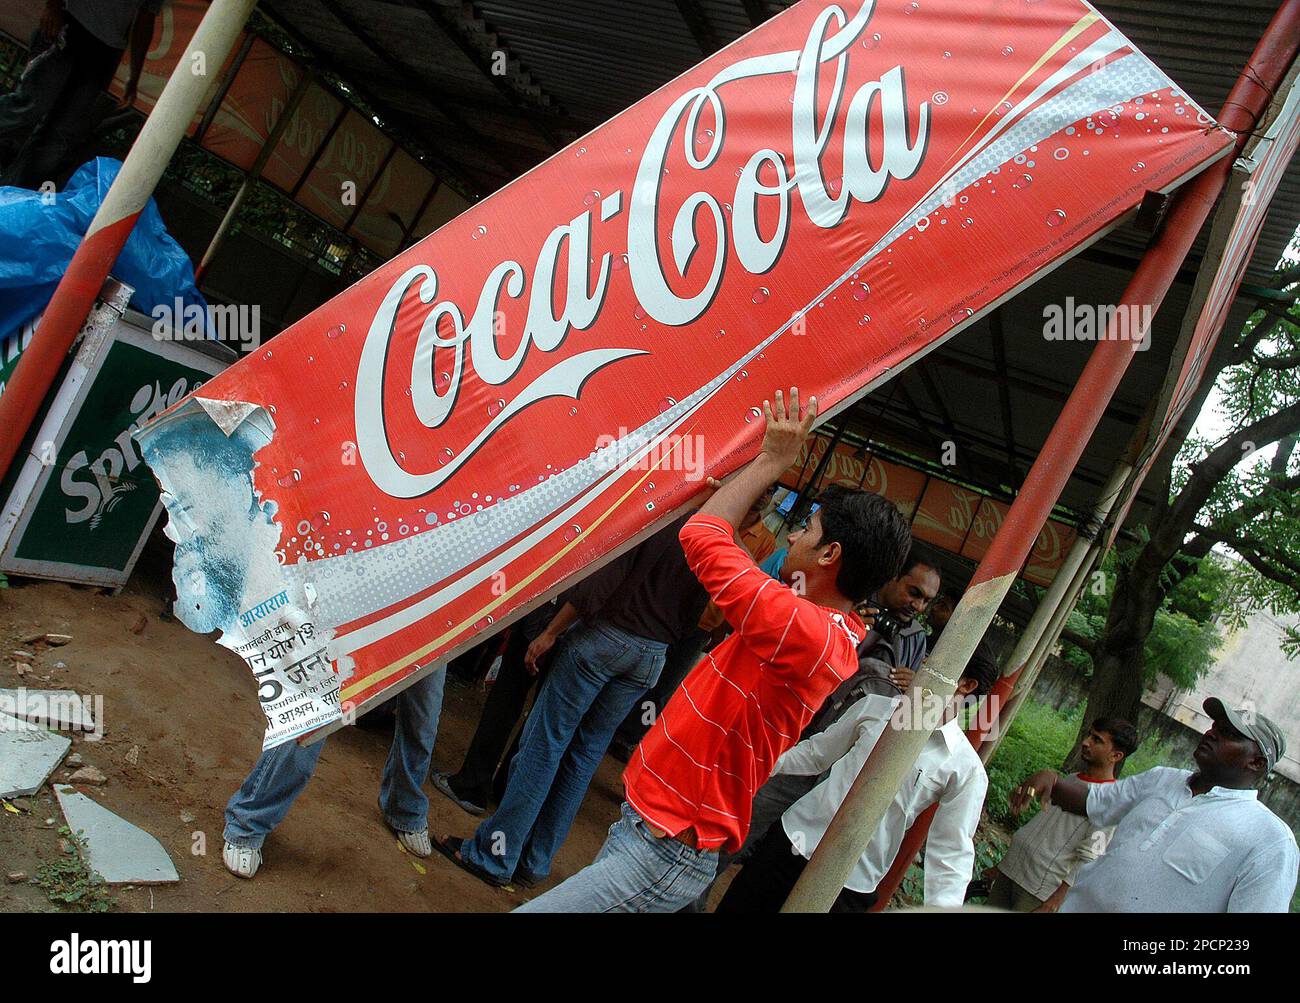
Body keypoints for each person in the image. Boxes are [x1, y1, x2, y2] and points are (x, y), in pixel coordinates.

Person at [515, 388, 912, 912]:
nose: (793, 534)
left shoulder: (807, 630)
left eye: (807, 528)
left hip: (665, 848)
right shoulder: (821, 623)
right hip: (658, 833)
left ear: (829, 554)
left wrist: (771, 460)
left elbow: (703, 533)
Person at [433, 513, 709, 888]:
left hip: (606, 639)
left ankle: (495, 855)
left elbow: (600, 583)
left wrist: (550, 631)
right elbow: (702, 619)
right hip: (651, 654)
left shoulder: (664, 506)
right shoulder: (716, 531)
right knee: (583, 757)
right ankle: (534, 860)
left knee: (543, 746)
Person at [715, 651, 997, 913]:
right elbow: (816, 754)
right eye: (927, 657)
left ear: (967, 685)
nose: (924, 664)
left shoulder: (965, 768)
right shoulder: (876, 706)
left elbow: (950, 850)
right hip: (793, 841)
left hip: (851, 882)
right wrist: (750, 762)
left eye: (938, 661)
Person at [1013, 698, 1298, 912]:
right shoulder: (1162, 779)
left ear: (1257, 763)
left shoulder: (1269, 840)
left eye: (1229, 734)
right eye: (1214, 727)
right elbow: (1092, 801)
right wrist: (1052, 780)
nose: (1211, 733)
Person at [221, 668, 446, 878]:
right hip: (351, 625)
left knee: (424, 715)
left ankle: (405, 808)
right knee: (318, 704)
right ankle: (248, 824)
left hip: (430, 624)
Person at [980, 717, 1136, 911]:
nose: (1086, 742)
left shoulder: (1109, 802)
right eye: (1089, 735)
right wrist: (1002, 868)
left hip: (1037, 890)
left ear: (1116, 756)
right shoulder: (1070, 781)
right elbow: (1043, 828)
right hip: (1011, 873)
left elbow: (1088, 858)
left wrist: (1055, 901)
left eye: (1097, 740)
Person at [0, 0, 161, 189]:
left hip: (106, 51)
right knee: (29, 106)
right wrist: (53, 7)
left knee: (58, 135)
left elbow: (145, 19)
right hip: (70, 22)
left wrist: (134, 76)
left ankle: (12, 196)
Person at [432, 598, 562, 816]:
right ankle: (503, 787)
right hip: (574, 631)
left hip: (549, 620)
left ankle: (472, 787)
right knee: (538, 712)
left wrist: (550, 631)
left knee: (506, 699)